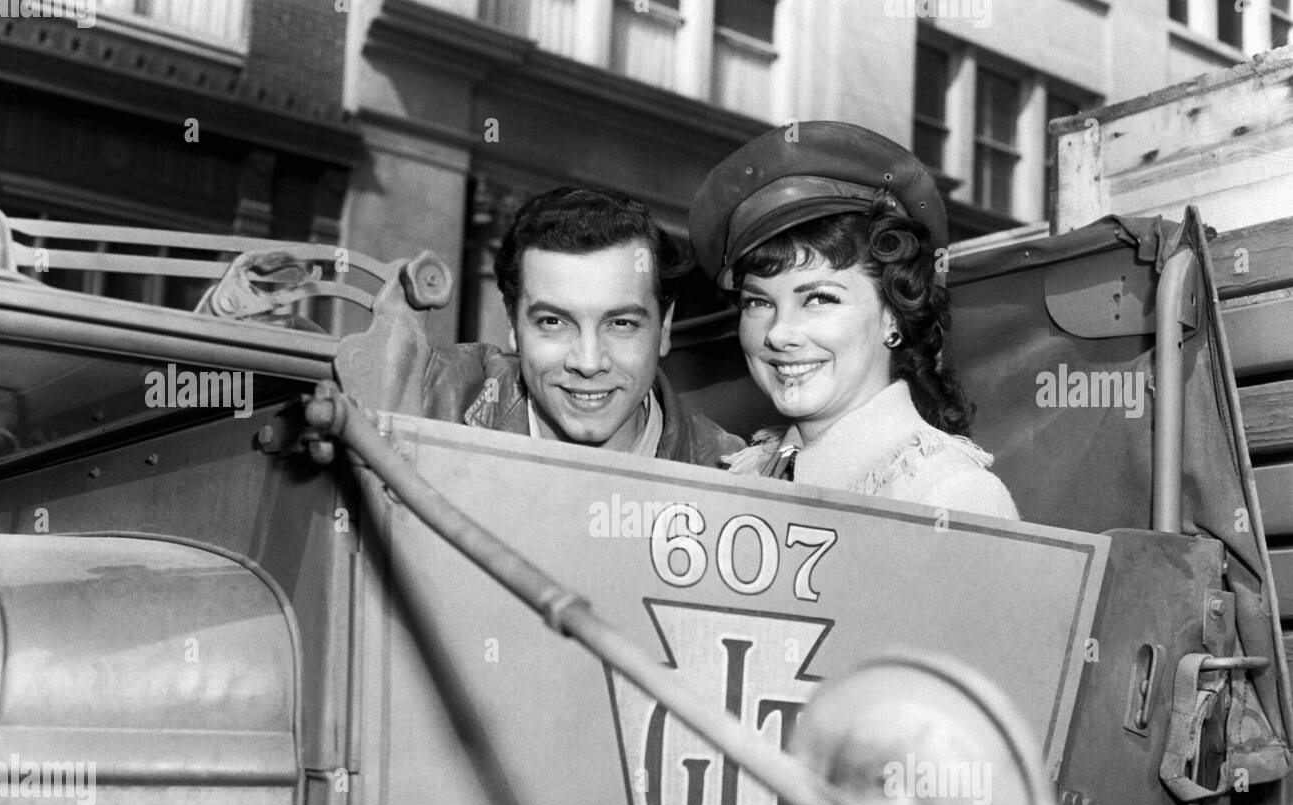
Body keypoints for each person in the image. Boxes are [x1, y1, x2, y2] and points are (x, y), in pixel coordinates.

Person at [688, 121, 1019, 519]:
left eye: (819, 298)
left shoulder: (951, 495)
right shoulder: (747, 478)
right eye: (758, 302)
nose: (778, 333)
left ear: (894, 314)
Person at [308, 186, 742, 467]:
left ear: (664, 328)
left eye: (621, 323)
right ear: (513, 325)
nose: (588, 362)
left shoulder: (730, 474)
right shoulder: (425, 399)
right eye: (553, 322)